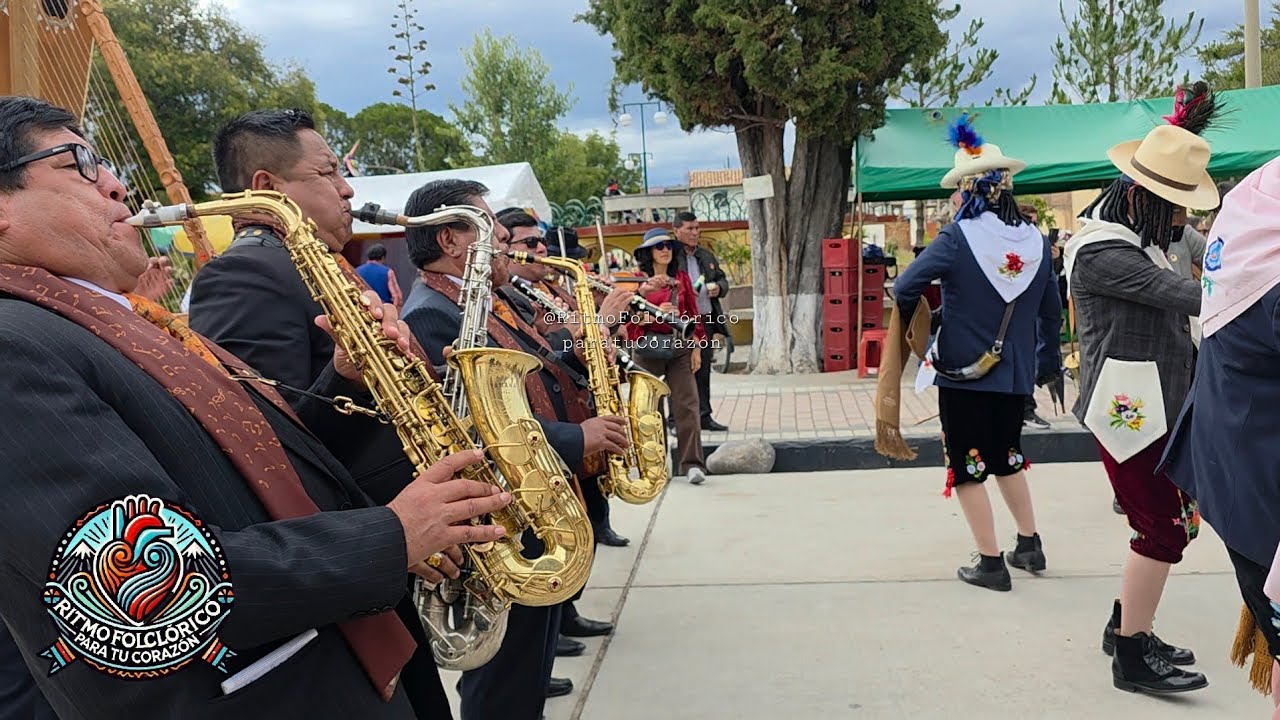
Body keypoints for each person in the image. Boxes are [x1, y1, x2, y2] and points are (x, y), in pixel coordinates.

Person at [0, 95, 511, 718]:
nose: (115, 184)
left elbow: (255, 467)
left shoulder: (111, 319)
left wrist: (347, 379)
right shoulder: (14, 342)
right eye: (77, 161)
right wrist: (390, 536)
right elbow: (136, 593)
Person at [187, 108, 460, 718]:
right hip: (359, 559)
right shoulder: (243, 275)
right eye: (329, 172)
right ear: (266, 189)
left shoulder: (316, 266)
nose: (348, 188)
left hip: (392, 544)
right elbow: (266, 448)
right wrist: (345, 374)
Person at [400, 178, 629, 720]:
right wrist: (580, 437)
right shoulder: (430, 314)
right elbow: (469, 425)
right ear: (454, 240)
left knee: (527, 671)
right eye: (494, 232)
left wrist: (590, 350)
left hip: (532, 504)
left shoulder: (484, 300)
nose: (506, 243)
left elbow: (541, 366)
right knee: (502, 686)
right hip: (504, 516)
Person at [1063, 82, 1222, 695]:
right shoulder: (1100, 251)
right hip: (1128, 413)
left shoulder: (1164, 234)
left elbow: (1213, 259)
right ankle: (1130, 656)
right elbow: (1192, 293)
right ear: (1139, 196)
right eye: (1175, 205)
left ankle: (1127, 622)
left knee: (1166, 521)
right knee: (1163, 528)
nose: (1185, 220)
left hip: (1164, 407)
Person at [885, 114, 1061, 593]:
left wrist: (921, 327)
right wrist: (1043, 365)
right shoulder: (1037, 242)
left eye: (955, 192)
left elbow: (905, 285)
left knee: (967, 466)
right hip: (1014, 377)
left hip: (963, 374)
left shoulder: (956, 239)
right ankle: (1029, 543)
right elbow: (1051, 314)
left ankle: (990, 562)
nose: (951, 200)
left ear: (968, 192)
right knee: (1007, 455)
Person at [1160, 156, 1280, 712]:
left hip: (1233, 448)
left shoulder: (1250, 215)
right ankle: (1131, 640)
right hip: (1251, 468)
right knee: (1153, 534)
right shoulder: (1098, 249)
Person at [624, 228, 709, 486]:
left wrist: (697, 347)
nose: (665, 251)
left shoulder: (681, 279)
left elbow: (695, 317)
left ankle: (692, 463)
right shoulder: (638, 282)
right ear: (649, 252)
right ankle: (656, 464)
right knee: (649, 410)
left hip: (679, 347)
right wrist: (653, 314)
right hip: (647, 349)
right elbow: (627, 322)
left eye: (669, 246)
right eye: (659, 246)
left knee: (687, 405)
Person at [671, 211, 730, 432]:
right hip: (680, 324)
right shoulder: (672, 258)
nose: (695, 233)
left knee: (703, 369)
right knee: (679, 372)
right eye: (689, 228)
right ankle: (676, 421)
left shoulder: (705, 256)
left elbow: (723, 279)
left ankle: (704, 416)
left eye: (697, 228)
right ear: (677, 231)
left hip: (705, 320)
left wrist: (719, 288)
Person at [1016, 203, 1053, 430]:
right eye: (1030, 222)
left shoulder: (1038, 242)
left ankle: (1026, 408)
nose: (1034, 228)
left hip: (1033, 311)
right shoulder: (1014, 242)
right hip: (1018, 312)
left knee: (1027, 360)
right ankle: (1025, 409)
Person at [356, 243, 404, 307]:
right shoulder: (388, 272)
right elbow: (397, 297)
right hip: (382, 310)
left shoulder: (357, 271)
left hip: (362, 308)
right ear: (383, 257)